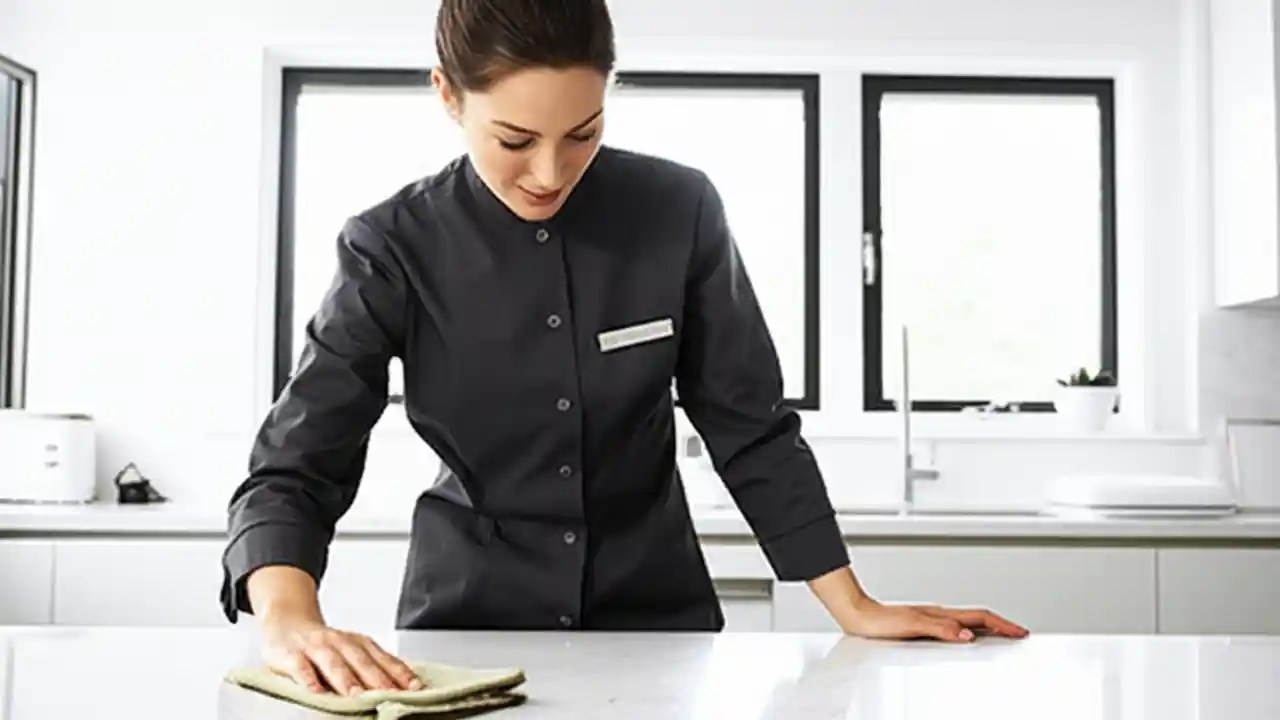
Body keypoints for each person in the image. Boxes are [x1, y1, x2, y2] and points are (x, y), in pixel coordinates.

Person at [219, 0, 1030, 698]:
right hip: (468, 633)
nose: (549, 171)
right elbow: (298, 462)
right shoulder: (390, 246)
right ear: (447, 96)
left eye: (583, 132)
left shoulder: (679, 210)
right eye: (513, 139)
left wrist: (853, 604)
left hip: (661, 626)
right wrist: (290, 623)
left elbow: (748, 424)